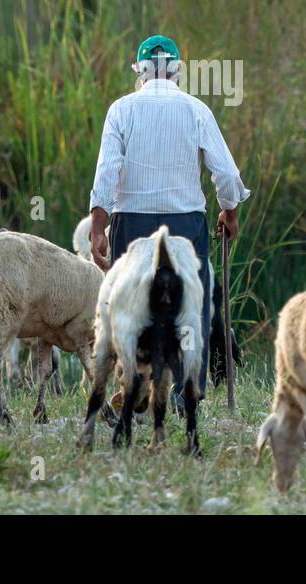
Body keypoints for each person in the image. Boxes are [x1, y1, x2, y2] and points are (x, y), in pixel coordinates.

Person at [88, 35, 249, 394]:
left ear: (140, 73)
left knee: (126, 304)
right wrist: (230, 213)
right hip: (185, 224)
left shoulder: (121, 109)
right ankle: (188, 390)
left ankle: (133, 386)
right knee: (193, 305)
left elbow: (106, 172)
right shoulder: (196, 110)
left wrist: (98, 226)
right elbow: (226, 175)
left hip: (131, 223)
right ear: (177, 71)